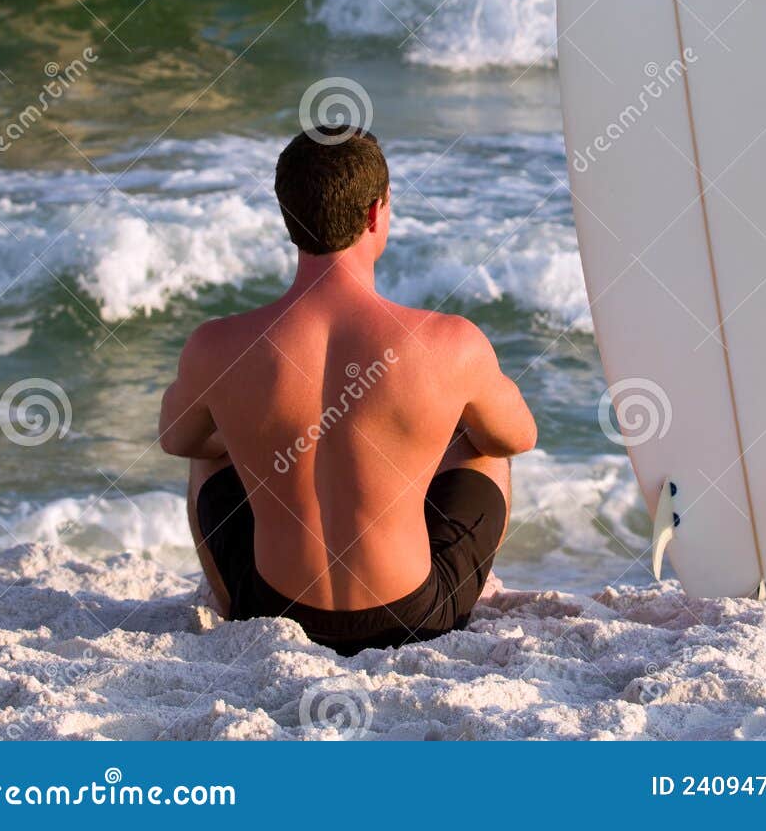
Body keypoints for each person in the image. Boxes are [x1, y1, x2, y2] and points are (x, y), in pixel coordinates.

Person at [158, 125, 537, 656]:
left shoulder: (216, 345)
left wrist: (254, 436)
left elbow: (178, 440)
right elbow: (516, 437)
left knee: (209, 456)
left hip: (270, 608)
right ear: (375, 214)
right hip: (413, 617)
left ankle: (227, 600)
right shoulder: (451, 342)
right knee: (483, 448)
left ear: (289, 218)